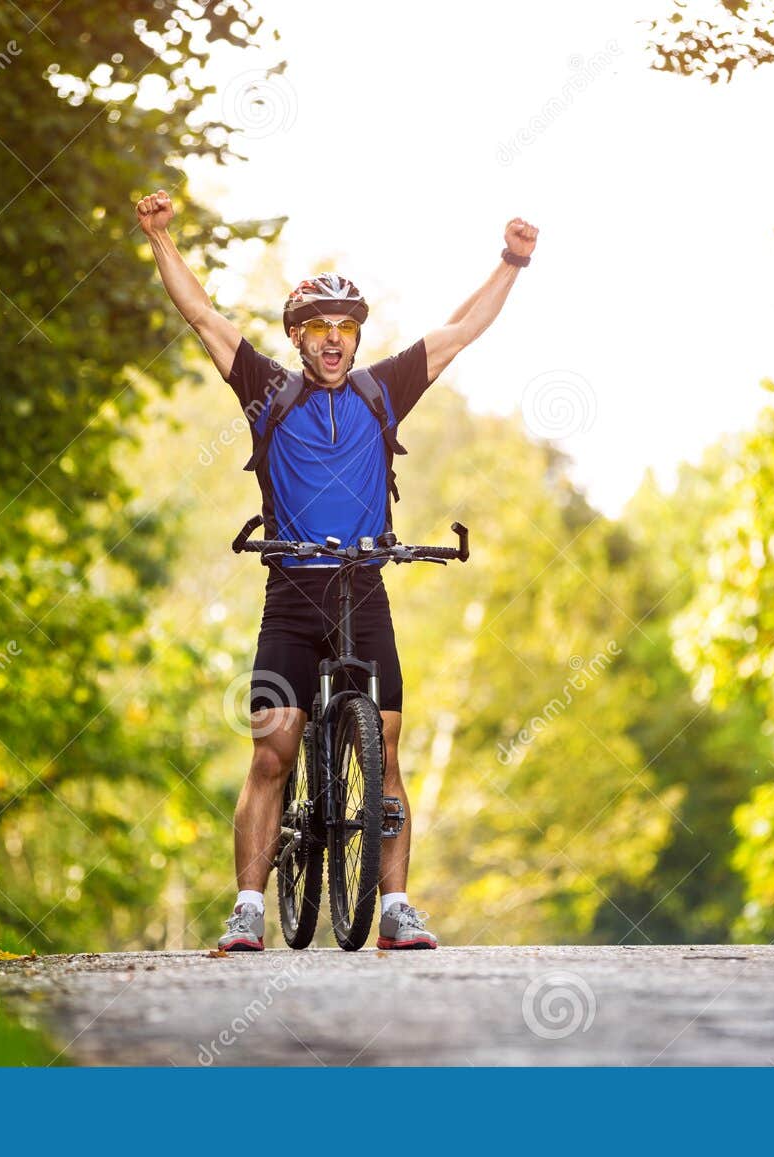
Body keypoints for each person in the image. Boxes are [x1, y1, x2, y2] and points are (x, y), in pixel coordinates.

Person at [135, 189, 538, 950]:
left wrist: (511, 260)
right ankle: (248, 908)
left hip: (364, 587)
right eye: (317, 328)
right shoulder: (266, 390)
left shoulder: (382, 391)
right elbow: (203, 318)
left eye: (343, 329)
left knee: (382, 749)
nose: (331, 340)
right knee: (272, 751)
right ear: (296, 337)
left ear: (356, 339)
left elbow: (461, 332)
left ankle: (395, 909)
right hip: (289, 592)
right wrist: (159, 238)